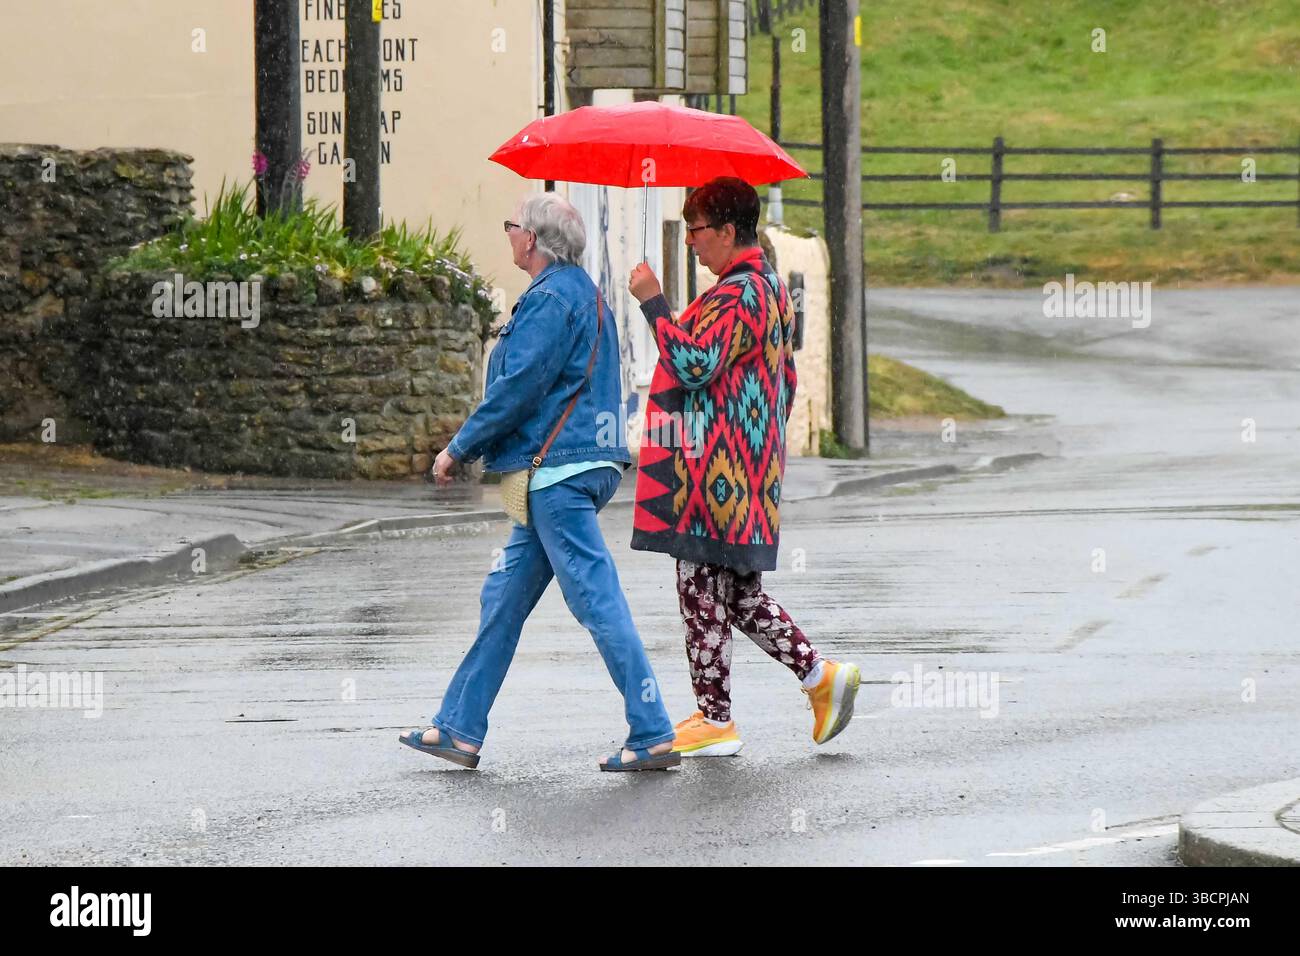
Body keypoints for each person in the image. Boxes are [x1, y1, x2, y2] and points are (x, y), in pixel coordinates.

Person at [400, 192, 679, 772]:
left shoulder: (551, 298)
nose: (508, 234)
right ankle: (458, 727)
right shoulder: (586, 295)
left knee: (595, 598)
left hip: (557, 471)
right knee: (503, 598)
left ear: (532, 239)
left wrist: (459, 447)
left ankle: (651, 729)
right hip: (577, 464)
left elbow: (519, 386)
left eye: (512, 226)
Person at [627, 176, 860, 757]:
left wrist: (654, 303)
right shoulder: (768, 290)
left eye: (697, 231)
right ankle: (820, 677)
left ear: (729, 231)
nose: (691, 243)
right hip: (748, 468)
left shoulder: (742, 293)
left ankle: (715, 718)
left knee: (698, 587)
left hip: (716, 470)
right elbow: (780, 380)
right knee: (736, 596)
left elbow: (694, 364)